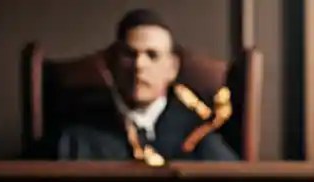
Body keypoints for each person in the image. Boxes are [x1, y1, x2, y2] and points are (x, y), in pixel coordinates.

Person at [51, 9, 240, 162]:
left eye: (152, 55)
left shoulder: (197, 135)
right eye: (129, 54)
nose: (139, 65)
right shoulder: (75, 131)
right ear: (111, 62)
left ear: (172, 68)